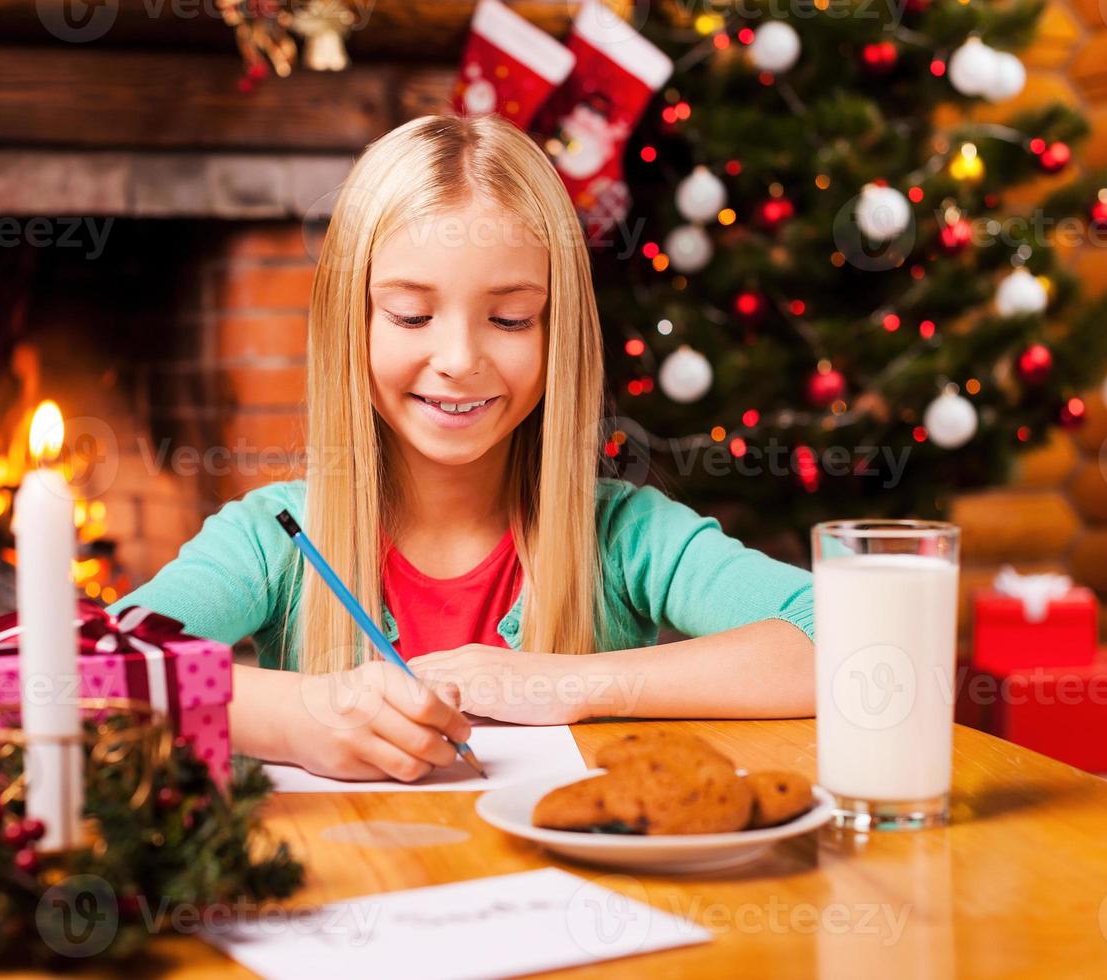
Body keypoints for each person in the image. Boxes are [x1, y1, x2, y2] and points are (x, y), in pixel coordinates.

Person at [113, 113, 814, 783]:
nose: (457, 359)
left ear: (555, 331)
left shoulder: (627, 535)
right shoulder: (273, 539)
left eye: (509, 319)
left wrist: (565, 683)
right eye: (411, 315)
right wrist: (295, 717)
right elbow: (90, 671)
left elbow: (860, 643)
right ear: (348, 325)